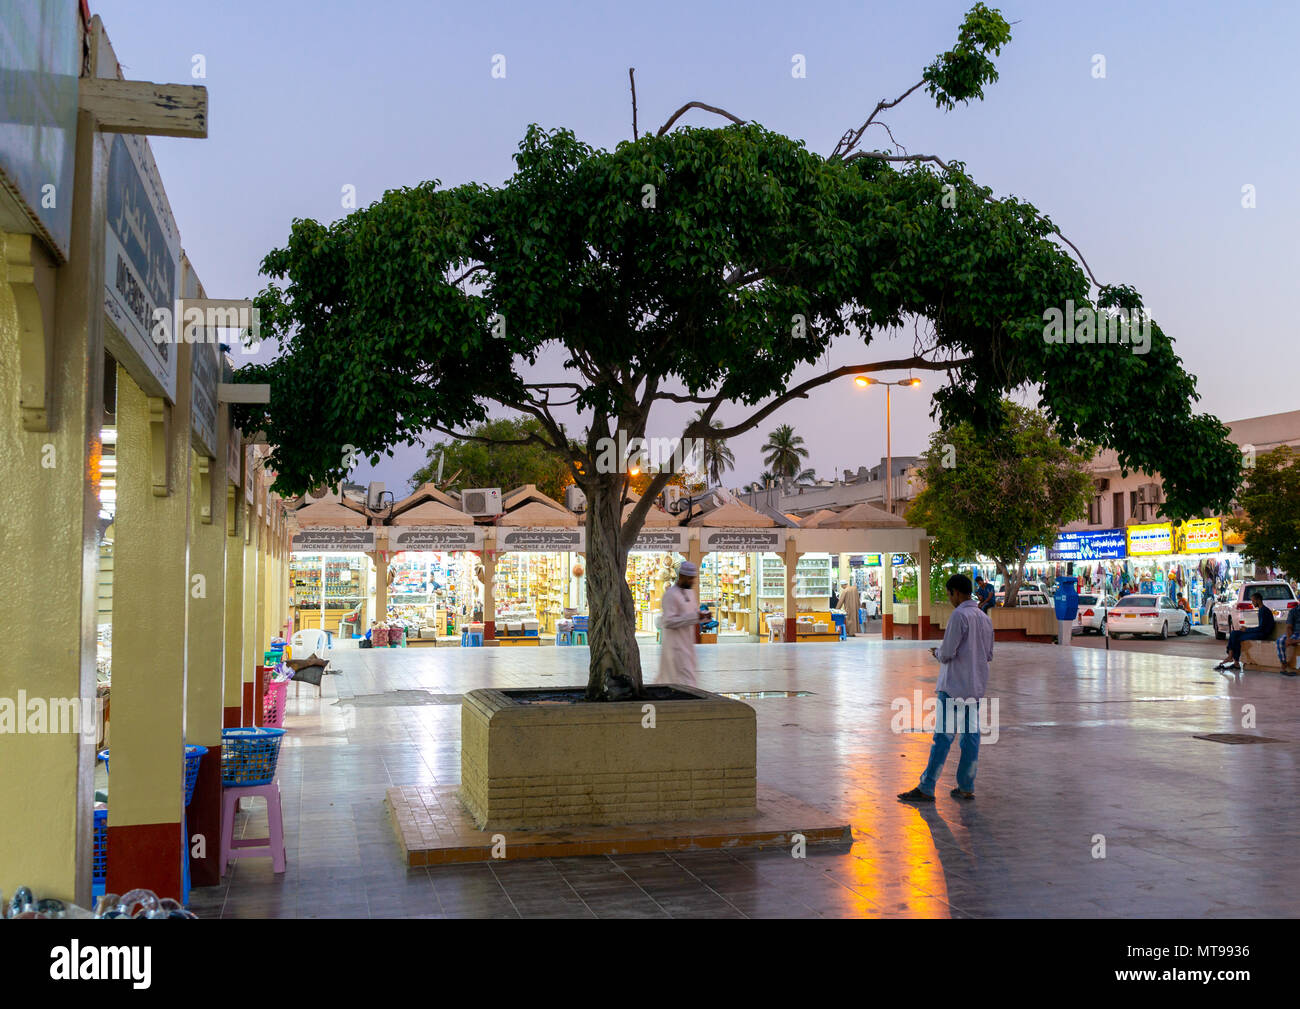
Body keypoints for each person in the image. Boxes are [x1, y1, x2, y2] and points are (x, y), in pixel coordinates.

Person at [898, 574, 994, 803]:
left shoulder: (959, 615)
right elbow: (988, 654)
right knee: (971, 737)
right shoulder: (983, 617)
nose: (950, 599)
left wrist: (937, 653)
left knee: (942, 737)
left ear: (956, 593)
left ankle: (927, 786)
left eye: (949, 594)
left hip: (953, 687)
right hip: (975, 686)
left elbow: (948, 652)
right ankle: (966, 786)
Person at [658, 562, 704, 686]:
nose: (692, 581)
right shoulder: (671, 595)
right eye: (690, 578)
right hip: (675, 647)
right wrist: (694, 617)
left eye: (693, 578)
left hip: (688, 644)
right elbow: (668, 621)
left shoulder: (690, 593)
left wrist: (703, 617)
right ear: (682, 576)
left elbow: (694, 614)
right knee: (681, 679)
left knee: (688, 677)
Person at [1217, 592, 1276, 671]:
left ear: (1258, 600)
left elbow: (1262, 628)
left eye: (1253, 601)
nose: (1252, 603)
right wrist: (1247, 629)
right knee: (1234, 633)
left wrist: (1247, 630)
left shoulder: (1264, 611)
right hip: (1259, 631)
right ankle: (1230, 656)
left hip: (1262, 634)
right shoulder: (1261, 610)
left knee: (1238, 638)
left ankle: (1236, 661)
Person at [1275, 603, 1300, 677]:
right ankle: (1284, 663)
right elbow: (1289, 627)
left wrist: (1294, 641)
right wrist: (1289, 639)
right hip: (1295, 633)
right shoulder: (1293, 611)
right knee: (1280, 641)